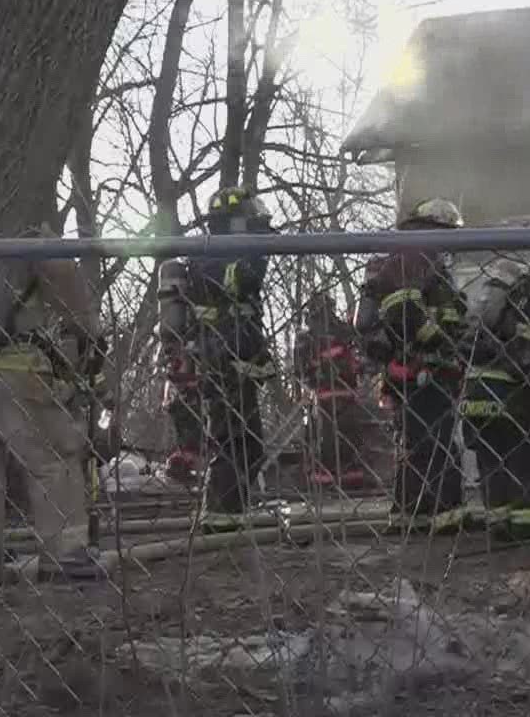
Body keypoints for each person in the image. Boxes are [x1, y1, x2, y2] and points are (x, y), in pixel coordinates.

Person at [0, 223, 105, 581]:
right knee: (54, 454)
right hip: (14, 361)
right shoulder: (26, 225)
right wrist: (89, 331)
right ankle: (66, 552)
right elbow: (63, 278)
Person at [158, 186, 276, 516]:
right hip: (222, 364)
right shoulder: (212, 259)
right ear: (234, 223)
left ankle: (230, 514)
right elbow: (246, 278)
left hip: (233, 362)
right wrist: (259, 244)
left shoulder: (218, 254)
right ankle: (221, 516)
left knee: (247, 445)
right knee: (234, 443)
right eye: (248, 219)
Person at [357, 198, 469, 533]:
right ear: (435, 229)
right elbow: (406, 313)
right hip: (424, 367)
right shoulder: (415, 258)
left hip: (412, 369)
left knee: (416, 443)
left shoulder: (410, 258)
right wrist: (439, 340)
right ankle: (446, 515)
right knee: (437, 441)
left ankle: (410, 514)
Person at [459, 256, 530, 538]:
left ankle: (498, 522)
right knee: (524, 459)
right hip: (513, 395)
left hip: (476, 394)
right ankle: (529, 524)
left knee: (490, 461)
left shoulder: (480, 310)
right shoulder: (529, 303)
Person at [295, 294, 373, 489]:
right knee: (340, 438)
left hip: (329, 394)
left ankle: (332, 479)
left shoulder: (313, 335)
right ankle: (343, 478)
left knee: (331, 438)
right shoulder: (337, 332)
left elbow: (302, 371)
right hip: (336, 393)